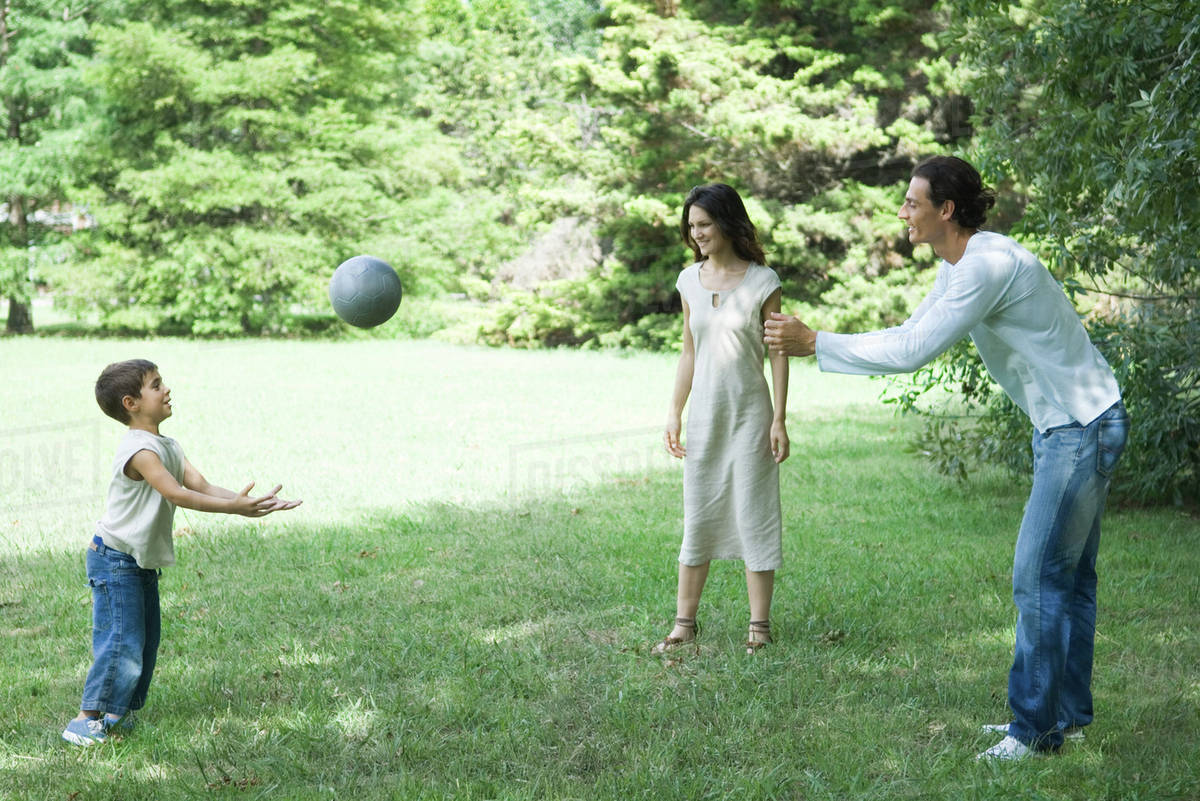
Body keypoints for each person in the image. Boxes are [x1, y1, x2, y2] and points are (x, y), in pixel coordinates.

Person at [763, 156, 1129, 760]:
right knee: (1068, 580)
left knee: (1038, 578)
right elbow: (913, 330)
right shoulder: (962, 263)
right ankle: (1061, 719)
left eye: (912, 202)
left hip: (1080, 427)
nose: (903, 212)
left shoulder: (985, 266)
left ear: (946, 210)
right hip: (1079, 421)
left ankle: (1034, 734)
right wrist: (822, 344)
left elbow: (912, 351)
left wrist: (816, 343)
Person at [61, 359, 301, 746]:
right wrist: (236, 508)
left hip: (136, 562)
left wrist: (251, 503)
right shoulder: (139, 451)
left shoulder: (167, 446)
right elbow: (176, 494)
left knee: (144, 641)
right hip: (114, 559)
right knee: (122, 640)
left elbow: (201, 485)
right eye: (156, 385)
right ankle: (84, 718)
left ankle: (114, 714)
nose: (166, 389)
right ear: (131, 402)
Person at [656, 183, 790, 657]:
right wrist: (674, 411)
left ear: (727, 223)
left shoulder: (762, 281)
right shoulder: (689, 280)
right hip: (705, 419)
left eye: (705, 225)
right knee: (700, 514)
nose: (697, 235)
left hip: (752, 416)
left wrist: (780, 418)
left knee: (755, 513)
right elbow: (689, 351)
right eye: (691, 227)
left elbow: (778, 353)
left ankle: (759, 628)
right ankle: (683, 625)